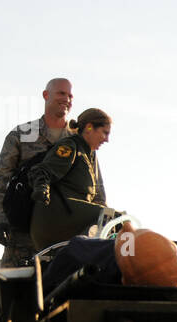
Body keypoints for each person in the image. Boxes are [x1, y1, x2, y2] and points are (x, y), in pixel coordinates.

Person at [0, 77, 75, 266]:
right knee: (13, 289)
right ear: (46, 95)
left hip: (66, 237)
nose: (67, 99)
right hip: (23, 236)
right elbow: (1, 180)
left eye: (70, 95)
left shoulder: (78, 141)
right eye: (61, 93)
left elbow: (94, 186)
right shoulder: (23, 134)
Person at [28, 107, 115, 252]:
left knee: (115, 222)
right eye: (104, 133)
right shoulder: (70, 146)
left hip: (71, 218)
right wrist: (41, 188)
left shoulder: (90, 156)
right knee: (115, 218)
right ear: (89, 127)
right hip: (54, 218)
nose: (107, 139)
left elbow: (99, 199)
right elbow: (43, 170)